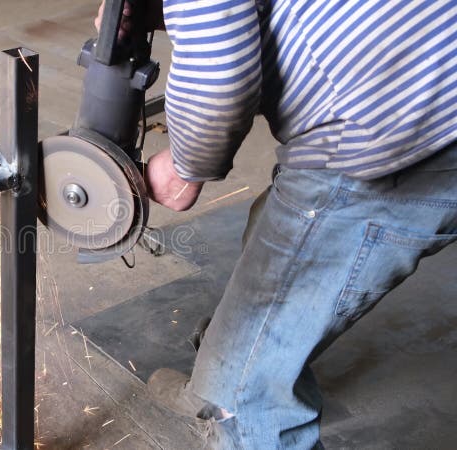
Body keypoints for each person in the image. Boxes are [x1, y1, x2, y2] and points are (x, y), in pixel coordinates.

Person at [96, 0, 457, 448]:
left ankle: (233, 386)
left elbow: (219, 79)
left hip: (403, 124)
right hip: (433, 65)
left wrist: (184, 168)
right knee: (268, 237)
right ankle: (233, 357)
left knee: (242, 394)